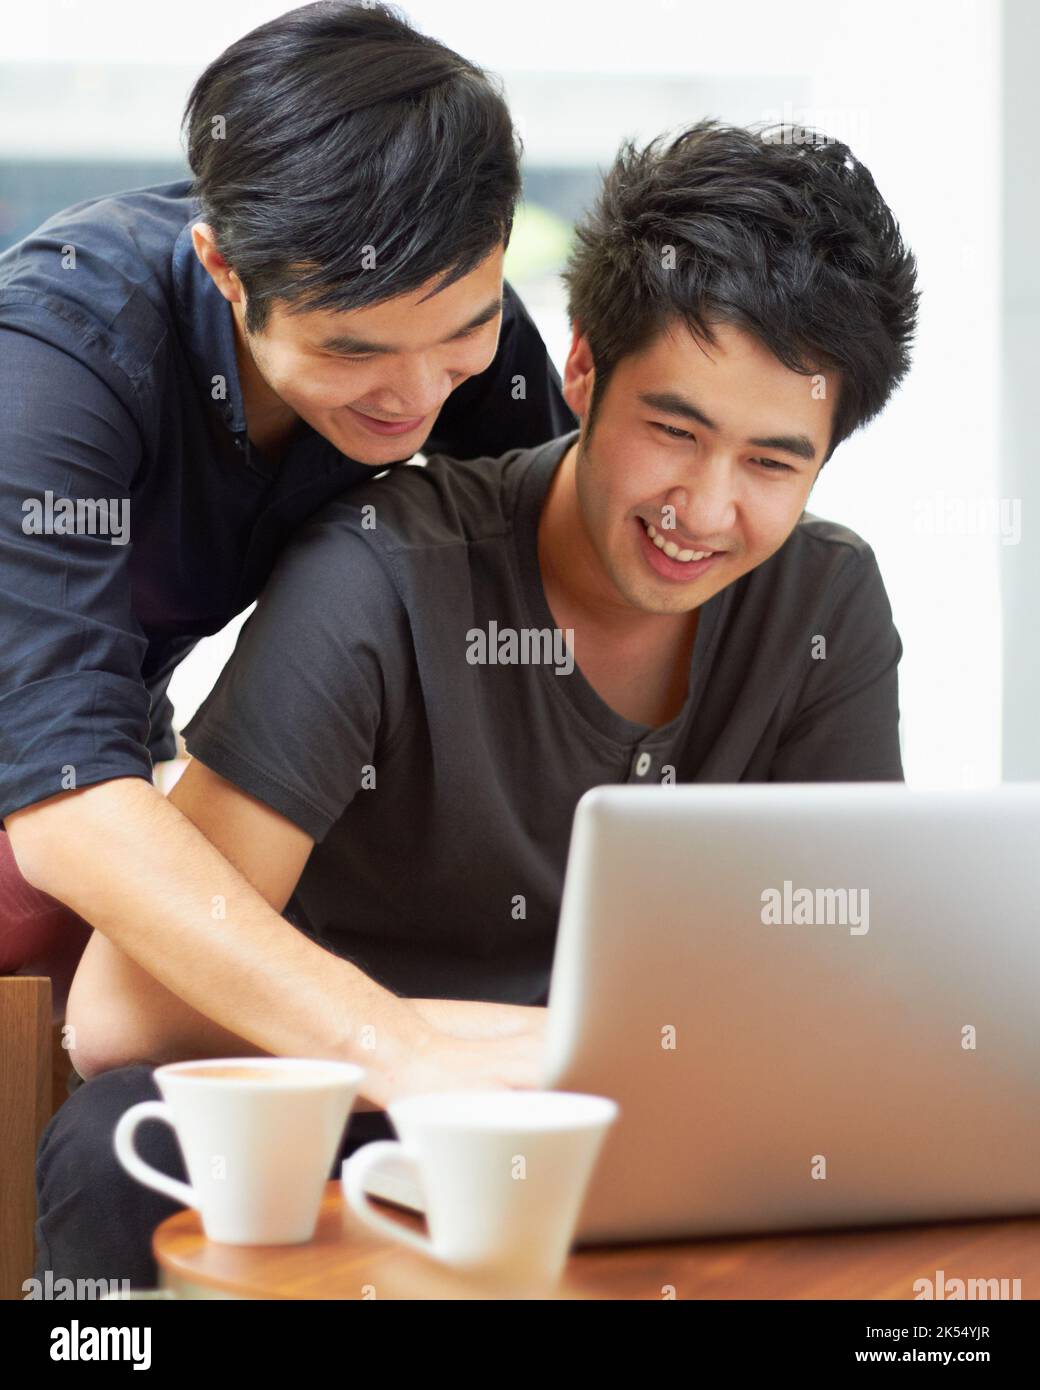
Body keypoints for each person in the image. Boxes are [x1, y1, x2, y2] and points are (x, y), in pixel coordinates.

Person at [34, 118, 920, 1288]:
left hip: (631, 1119)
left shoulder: (824, 602)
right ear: (583, 368)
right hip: (365, 1109)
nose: (703, 511)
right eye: (672, 430)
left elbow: (833, 980)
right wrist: (477, 1044)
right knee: (118, 1153)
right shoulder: (378, 571)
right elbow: (121, 1016)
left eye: (771, 462)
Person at [1, 2, 573, 1085]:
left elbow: (564, 595)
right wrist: (397, 1047)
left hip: (118, 756)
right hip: (42, 791)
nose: (413, 395)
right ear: (223, 269)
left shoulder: (468, 342)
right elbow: (66, 803)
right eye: (353, 349)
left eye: (461, 330)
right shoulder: (54, 361)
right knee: (102, 966)